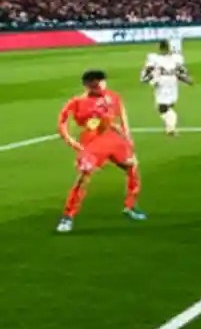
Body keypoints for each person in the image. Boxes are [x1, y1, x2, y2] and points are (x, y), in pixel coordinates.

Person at [56, 70, 146, 233]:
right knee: (83, 177)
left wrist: (127, 136)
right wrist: (70, 141)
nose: (99, 85)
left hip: (113, 139)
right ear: (86, 85)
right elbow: (62, 121)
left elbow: (122, 116)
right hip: (92, 144)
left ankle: (130, 206)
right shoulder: (77, 102)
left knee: (132, 166)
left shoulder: (113, 96)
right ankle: (67, 216)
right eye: (95, 83)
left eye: (101, 81)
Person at [140, 40, 193, 136]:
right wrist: (187, 80)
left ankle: (171, 127)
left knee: (162, 107)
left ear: (159, 48)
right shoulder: (175, 59)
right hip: (172, 83)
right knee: (167, 105)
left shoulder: (154, 59)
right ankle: (170, 127)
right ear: (168, 48)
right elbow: (180, 71)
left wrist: (145, 78)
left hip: (162, 83)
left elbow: (148, 71)